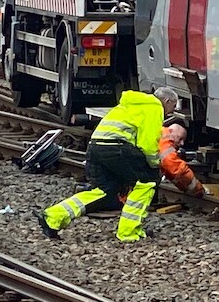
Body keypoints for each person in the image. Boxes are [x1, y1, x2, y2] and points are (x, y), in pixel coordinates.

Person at [36, 87, 178, 242]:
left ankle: (52, 217)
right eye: (172, 107)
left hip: (95, 147)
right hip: (116, 147)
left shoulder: (132, 103)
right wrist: (154, 164)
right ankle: (129, 232)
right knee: (146, 181)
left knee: (104, 191)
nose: (170, 113)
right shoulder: (154, 107)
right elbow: (148, 143)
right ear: (167, 101)